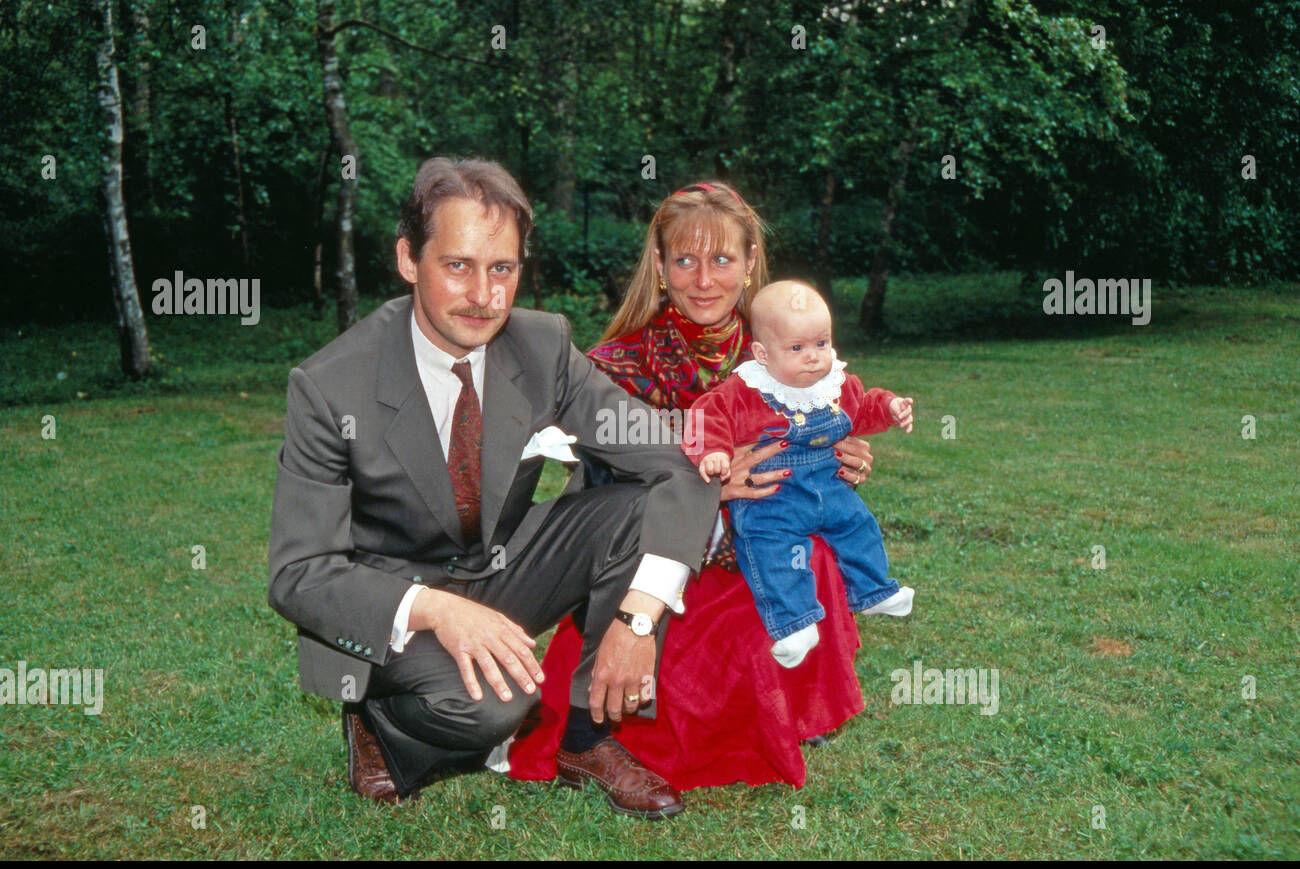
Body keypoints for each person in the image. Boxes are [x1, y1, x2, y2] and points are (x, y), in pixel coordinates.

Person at [266, 157, 719, 818]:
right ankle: (376, 717)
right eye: (457, 265)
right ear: (406, 258)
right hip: (391, 598)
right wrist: (436, 609)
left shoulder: (543, 345)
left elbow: (674, 462)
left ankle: (586, 742)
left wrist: (639, 614)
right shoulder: (330, 385)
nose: (483, 294)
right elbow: (299, 574)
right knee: (498, 706)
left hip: (501, 563)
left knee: (640, 502)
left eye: (502, 268)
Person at [507, 183, 880, 789]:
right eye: (685, 260)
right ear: (659, 266)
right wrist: (714, 487)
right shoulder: (611, 365)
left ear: (751, 262)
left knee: (809, 555)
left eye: (723, 259)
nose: (704, 279)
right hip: (654, 577)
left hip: (761, 552)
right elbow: (604, 497)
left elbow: (813, 450)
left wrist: (835, 455)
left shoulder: (786, 358)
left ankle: (791, 708)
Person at [687, 280, 916, 669]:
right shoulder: (745, 390)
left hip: (829, 487)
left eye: (821, 344)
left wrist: (890, 407)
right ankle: (795, 624)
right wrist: (712, 453)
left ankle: (874, 588)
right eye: (797, 348)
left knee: (858, 526)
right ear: (762, 353)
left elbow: (862, 409)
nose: (813, 357)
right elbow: (707, 417)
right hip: (772, 497)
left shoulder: (836, 385)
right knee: (772, 552)